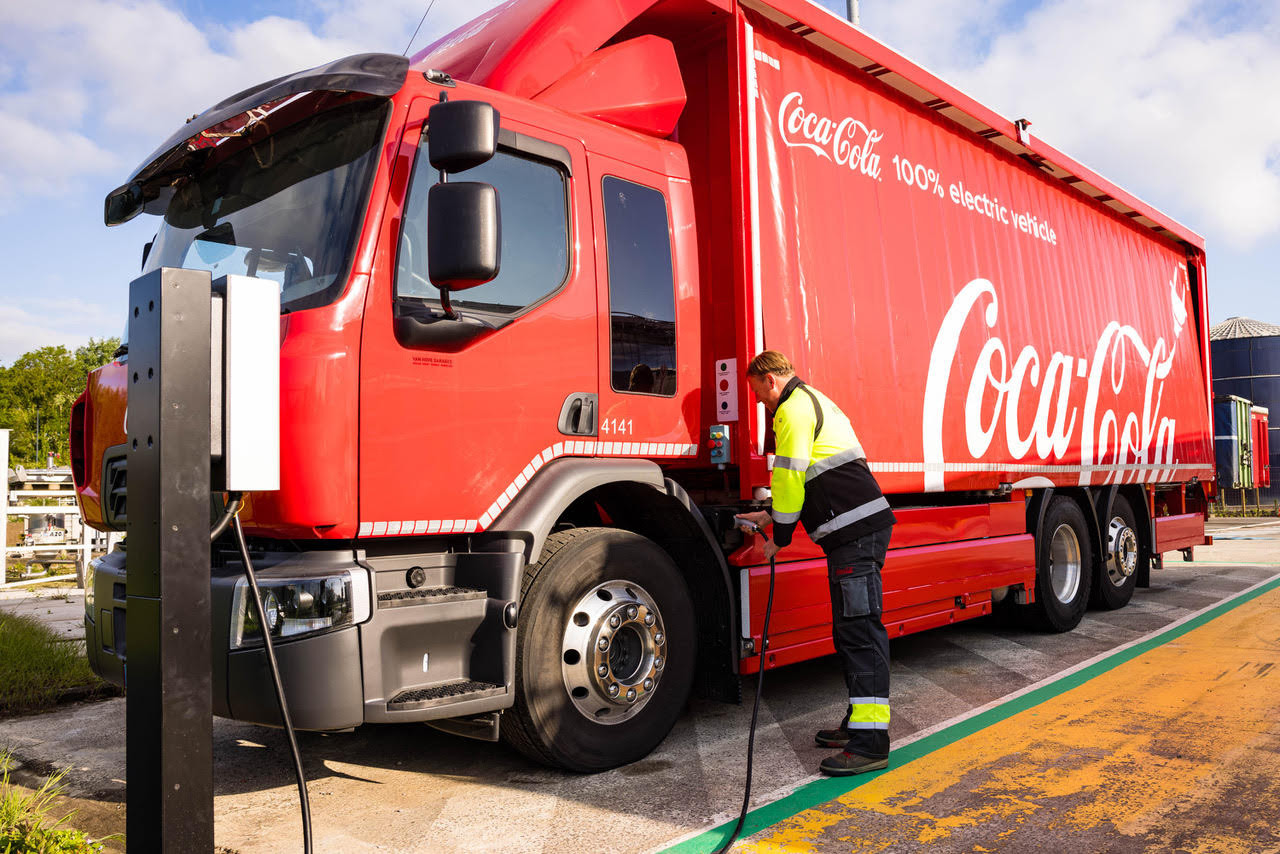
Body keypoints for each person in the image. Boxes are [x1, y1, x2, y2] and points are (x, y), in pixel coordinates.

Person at [735, 350, 896, 776]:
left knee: (860, 632)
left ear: (771, 381)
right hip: (857, 531)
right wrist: (770, 517)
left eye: (757, 394)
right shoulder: (811, 401)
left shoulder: (792, 409)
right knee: (850, 630)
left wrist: (779, 539)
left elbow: (789, 476)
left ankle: (871, 743)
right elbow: (811, 479)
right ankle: (859, 723)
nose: (760, 404)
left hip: (854, 535)